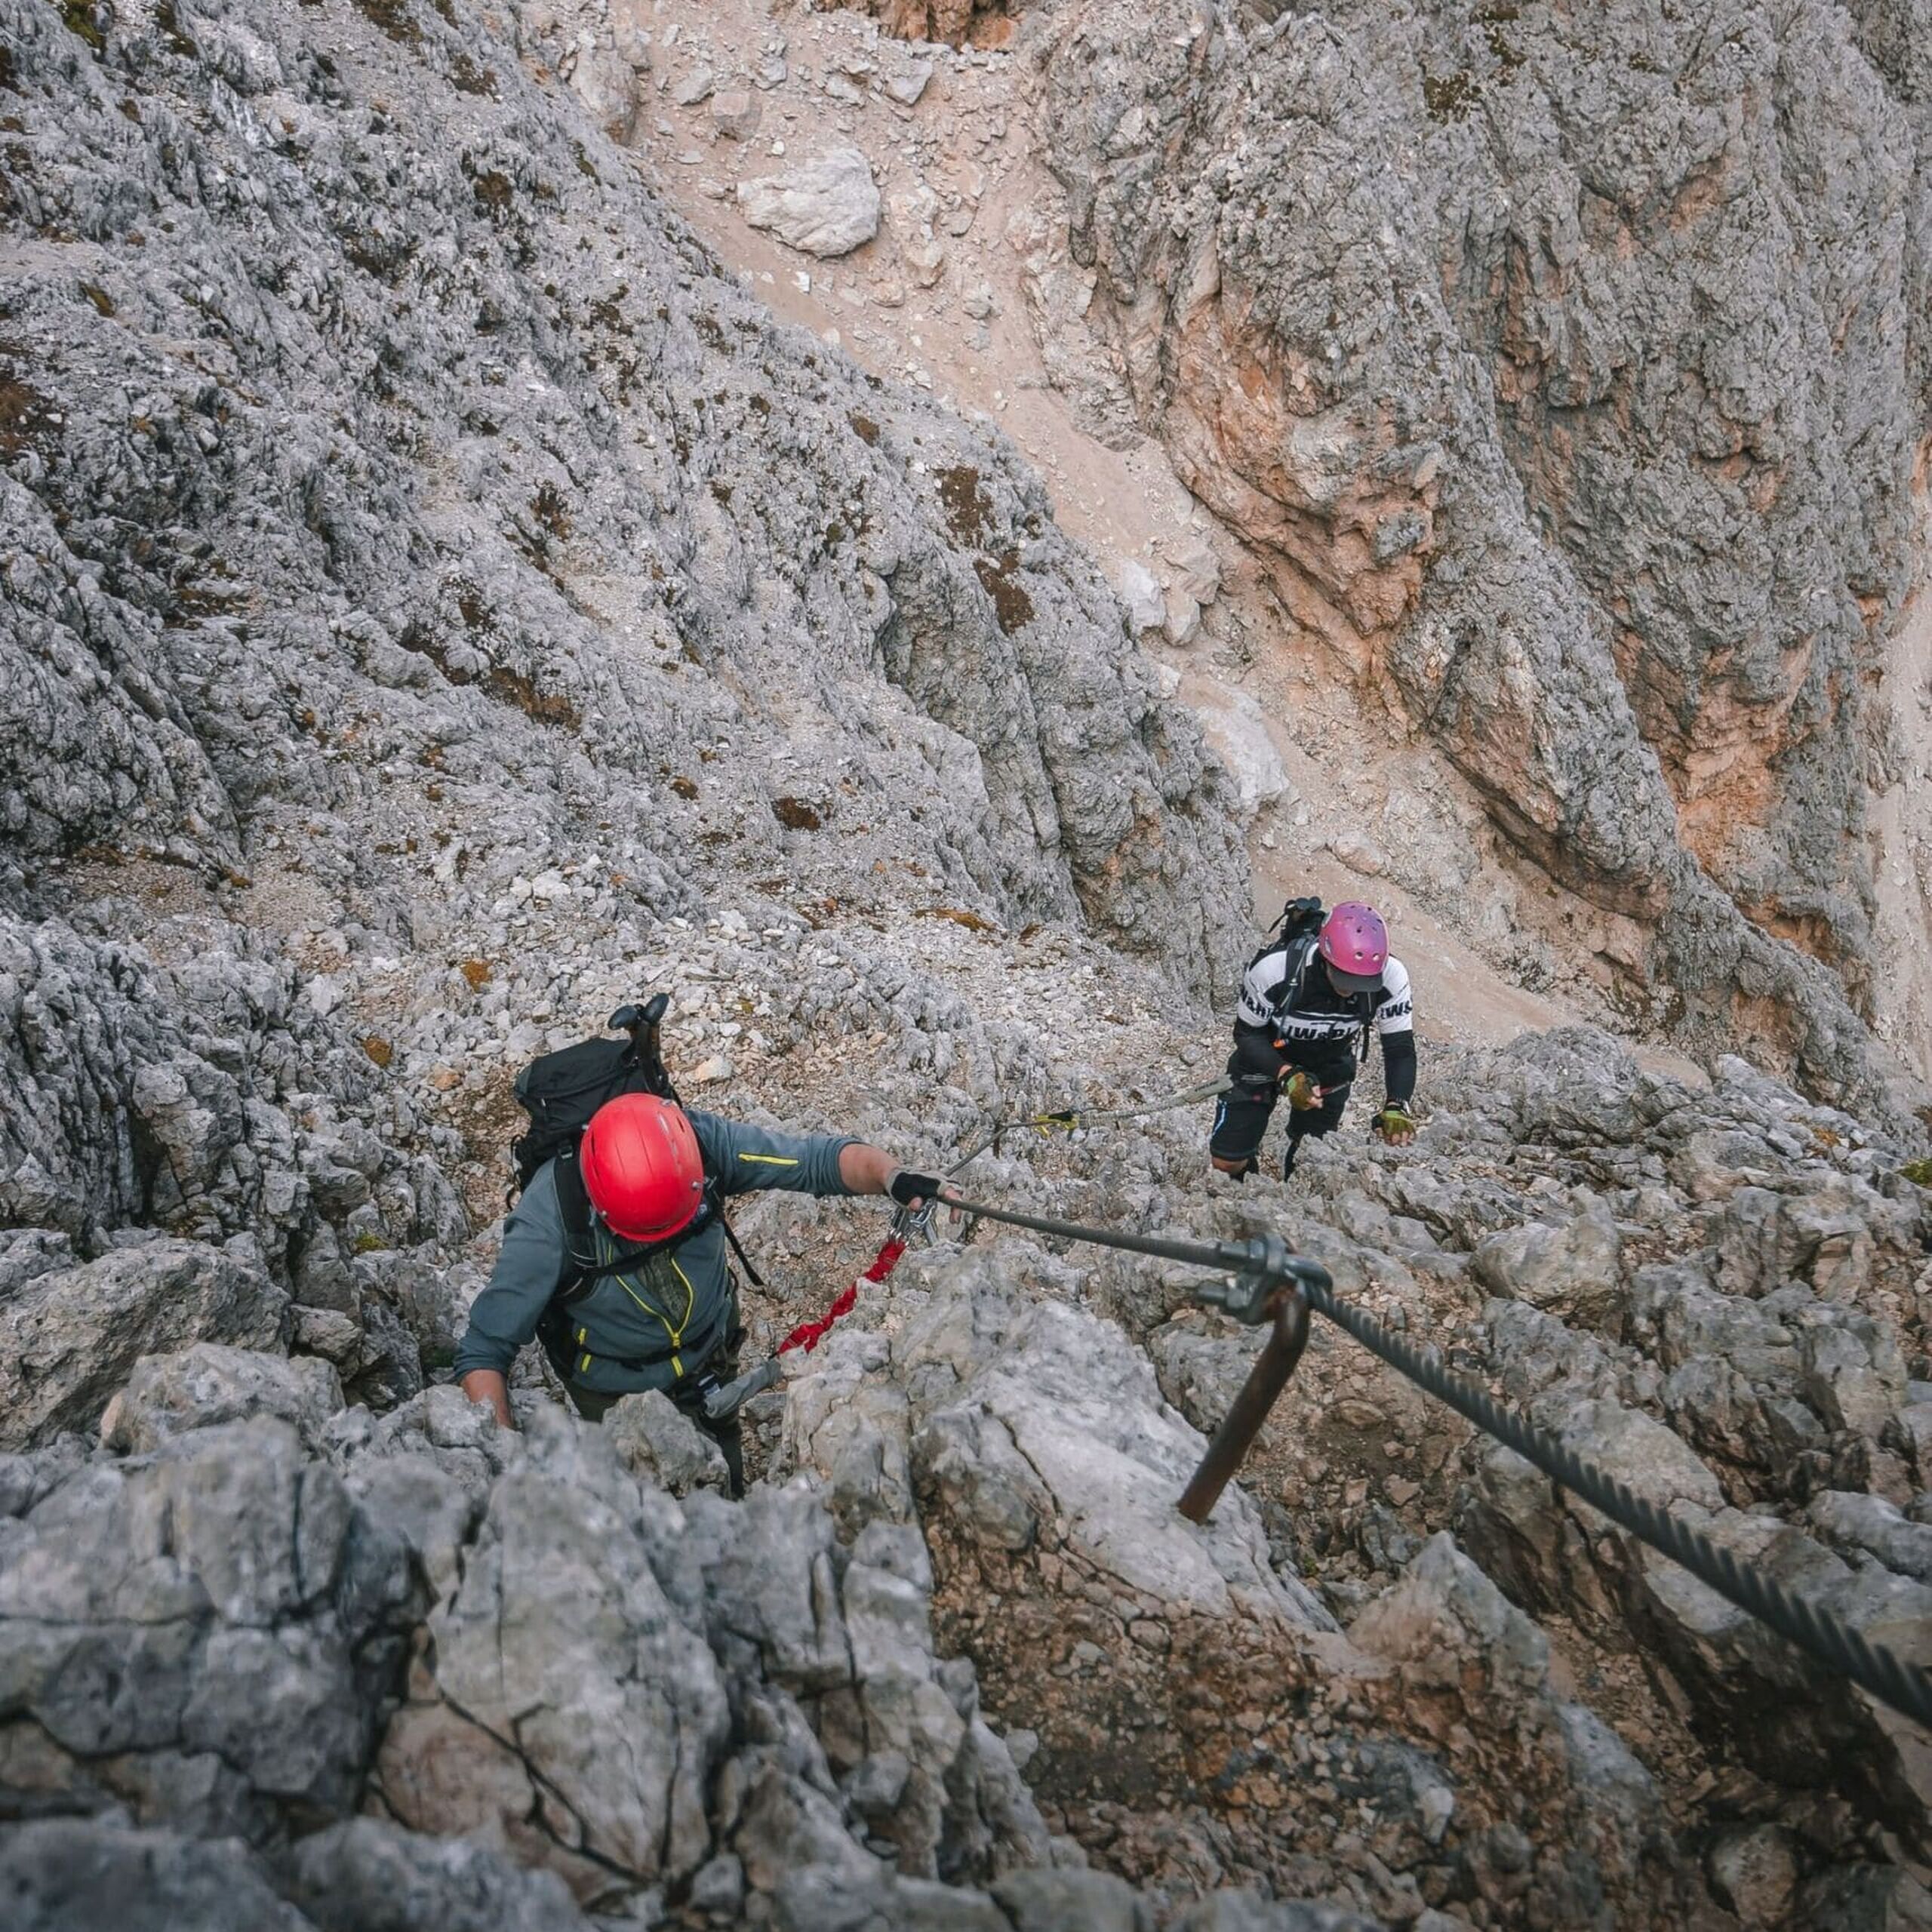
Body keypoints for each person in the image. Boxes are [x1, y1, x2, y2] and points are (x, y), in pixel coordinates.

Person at [456, 1091, 940, 1492]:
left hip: (712, 1359)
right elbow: (484, 1351)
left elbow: (815, 1161)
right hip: (616, 1398)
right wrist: (509, 1473)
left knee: (723, 1480)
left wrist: (890, 1176)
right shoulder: (548, 1224)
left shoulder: (698, 1145)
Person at [1209, 900, 1417, 1181]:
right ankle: (1249, 1186)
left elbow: (1400, 1049)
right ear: (1325, 956)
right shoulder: (1274, 971)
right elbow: (1246, 1034)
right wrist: (1285, 1074)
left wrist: (1397, 1103)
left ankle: (1293, 1196)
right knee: (1226, 1162)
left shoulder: (1391, 977)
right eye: (1343, 979)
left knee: (1311, 1155)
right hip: (1264, 1056)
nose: (1350, 990)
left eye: (1361, 984)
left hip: (1329, 1062)